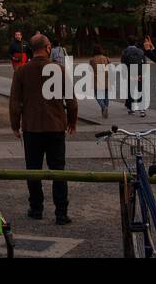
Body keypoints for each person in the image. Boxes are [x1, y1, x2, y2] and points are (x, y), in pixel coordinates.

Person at [9, 33, 77, 224]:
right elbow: (71, 101)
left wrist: (15, 125)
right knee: (58, 170)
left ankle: (36, 207)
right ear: (48, 48)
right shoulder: (60, 70)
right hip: (55, 126)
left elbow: (15, 102)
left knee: (33, 169)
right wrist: (72, 121)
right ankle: (61, 212)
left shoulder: (22, 71)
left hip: (32, 127)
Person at [121, 39, 146, 116]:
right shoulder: (141, 51)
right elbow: (144, 62)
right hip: (138, 73)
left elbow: (123, 64)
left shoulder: (125, 51)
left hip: (130, 73)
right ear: (135, 43)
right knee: (140, 90)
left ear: (128, 43)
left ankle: (132, 109)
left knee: (130, 90)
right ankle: (142, 109)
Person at [88, 44, 111, 119]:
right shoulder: (106, 58)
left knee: (97, 95)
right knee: (106, 95)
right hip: (106, 78)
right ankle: (105, 110)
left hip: (96, 79)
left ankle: (103, 107)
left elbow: (90, 69)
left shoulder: (92, 60)